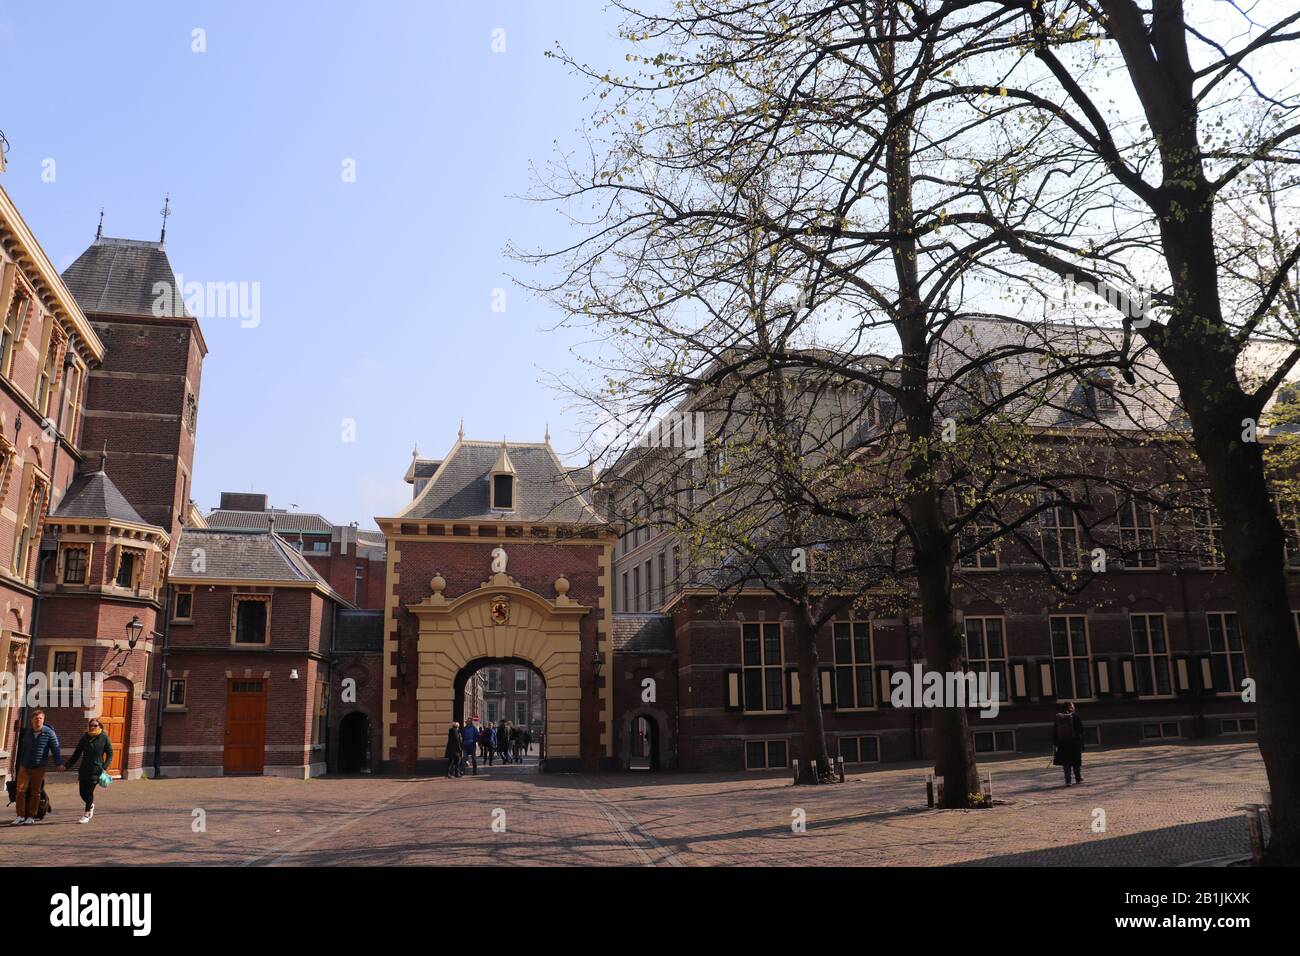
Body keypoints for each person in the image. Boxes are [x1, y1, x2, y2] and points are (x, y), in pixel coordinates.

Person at [10, 710, 61, 826]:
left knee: (35, 792)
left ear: (43, 720)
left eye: (40, 718)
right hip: (25, 766)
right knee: (20, 791)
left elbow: (55, 749)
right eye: (36, 719)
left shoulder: (49, 733)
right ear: (32, 720)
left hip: (38, 767)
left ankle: (31, 816)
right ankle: (20, 816)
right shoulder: (27, 733)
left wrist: (58, 763)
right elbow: (21, 749)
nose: (38, 720)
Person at [64, 717, 114, 824]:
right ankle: (90, 804)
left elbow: (110, 753)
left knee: (89, 791)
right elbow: (76, 754)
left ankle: (86, 814)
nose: (92, 727)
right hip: (84, 769)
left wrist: (104, 767)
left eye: (95, 725)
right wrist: (66, 766)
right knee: (82, 792)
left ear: (99, 727)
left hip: (97, 770)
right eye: (91, 725)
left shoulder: (104, 738)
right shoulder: (84, 738)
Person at [1052, 701, 1086, 786]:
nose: (1074, 707)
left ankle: (1068, 781)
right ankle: (1078, 779)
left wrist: (1056, 743)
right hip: (1074, 742)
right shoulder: (1074, 716)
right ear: (1070, 707)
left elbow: (1054, 731)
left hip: (1063, 743)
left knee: (1066, 763)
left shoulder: (1059, 717)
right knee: (1076, 761)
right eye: (1073, 706)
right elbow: (1081, 729)